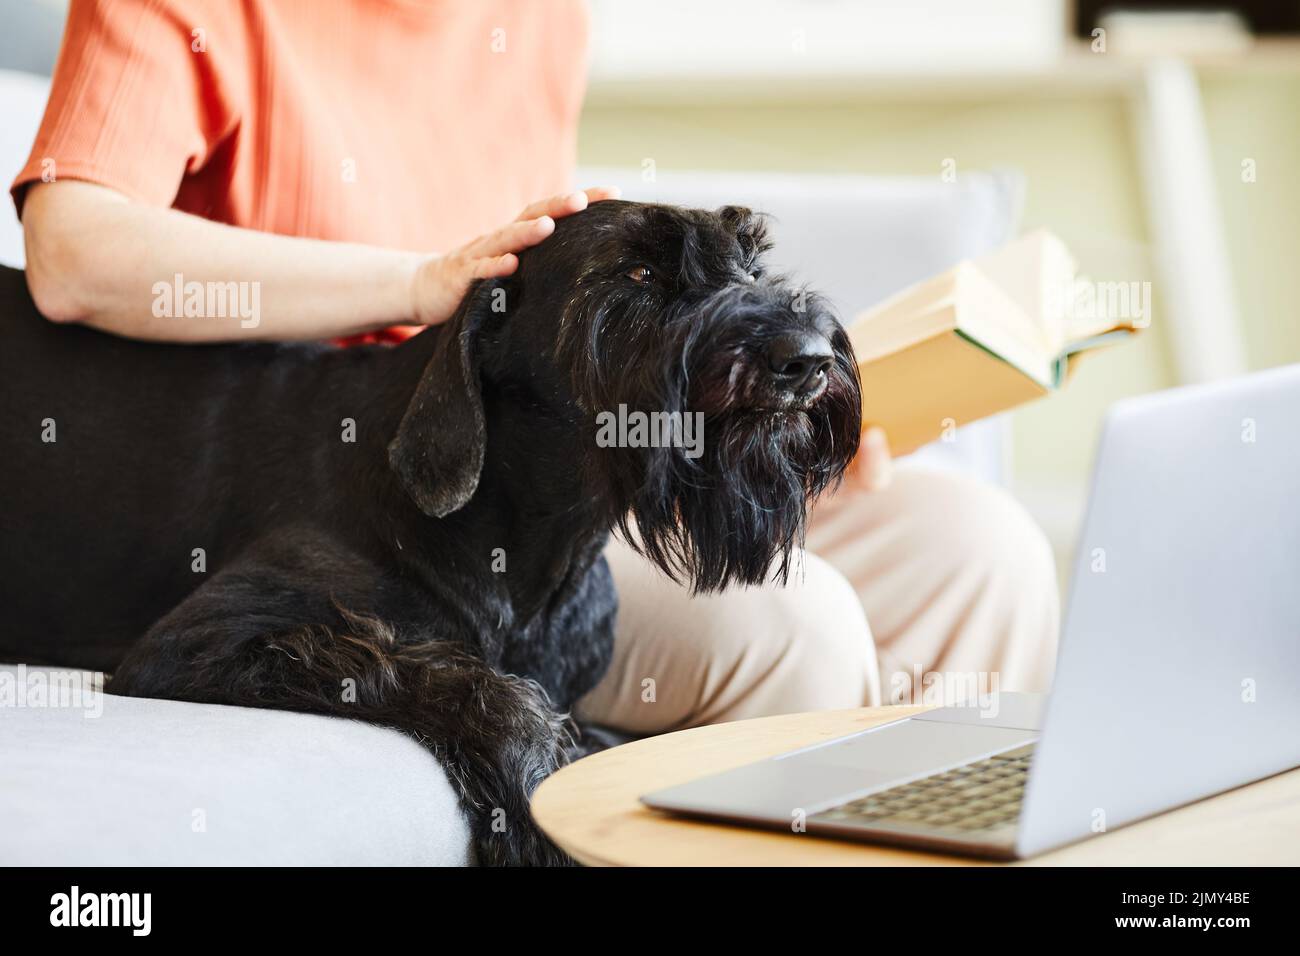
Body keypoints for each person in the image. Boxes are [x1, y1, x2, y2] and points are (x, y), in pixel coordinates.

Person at [13, 0, 1057, 734]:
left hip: (579, 465)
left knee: (977, 547)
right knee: (798, 625)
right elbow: (72, 256)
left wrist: (761, 426)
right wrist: (417, 281)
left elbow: (557, 322)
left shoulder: (536, 16)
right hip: (396, 513)